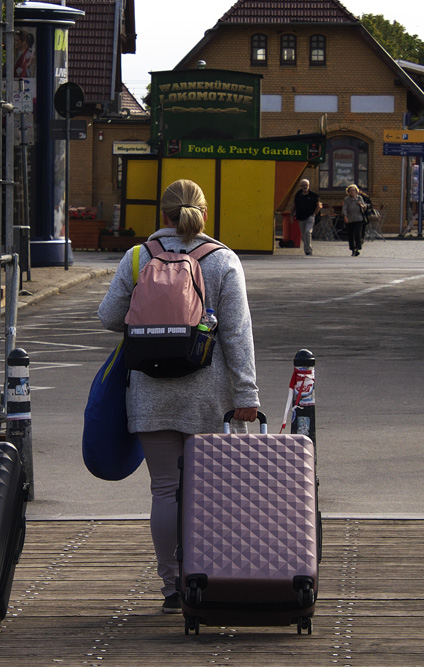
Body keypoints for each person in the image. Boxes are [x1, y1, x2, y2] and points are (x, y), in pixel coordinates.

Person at [97, 179, 260, 615]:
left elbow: (109, 316)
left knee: (164, 489)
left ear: (163, 214)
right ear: (203, 214)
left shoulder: (137, 256)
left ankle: (171, 585)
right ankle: (206, 577)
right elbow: (238, 334)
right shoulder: (223, 259)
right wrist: (246, 392)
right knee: (212, 492)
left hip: (150, 391)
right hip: (209, 395)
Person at [292, 179, 321, 255]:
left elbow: (319, 205)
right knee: (303, 235)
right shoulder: (298, 194)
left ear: (309, 185)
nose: (305, 186)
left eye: (306, 185)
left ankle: (308, 250)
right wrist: (291, 215)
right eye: (303, 185)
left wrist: (314, 214)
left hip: (310, 216)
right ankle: (307, 246)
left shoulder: (314, 195)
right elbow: (294, 205)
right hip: (300, 217)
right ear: (301, 186)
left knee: (308, 232)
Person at [342, 184, 366, 256]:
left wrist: (361, 205)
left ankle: (358, 248)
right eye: (350, 190)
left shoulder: (359, 198)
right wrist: (345, 216)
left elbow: (364, 207)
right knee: (351, 235)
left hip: (359, 218)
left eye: (353, 190)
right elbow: (344, 208)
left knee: (357, 234)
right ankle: (353, 249)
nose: (352, 192)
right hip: (350, 219)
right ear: (348, 191)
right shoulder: (347, 199)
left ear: (356, 191)